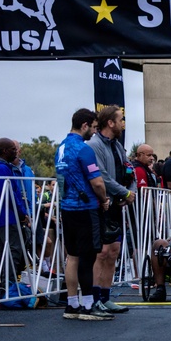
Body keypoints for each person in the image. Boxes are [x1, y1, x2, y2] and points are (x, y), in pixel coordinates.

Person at [55, 109, 113, 320]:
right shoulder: (84, 149)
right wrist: (104, 200)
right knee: (88, 257)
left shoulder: (60, 147)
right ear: (85, 125)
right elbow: (97, 182)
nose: (94, 132)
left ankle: (72, 305)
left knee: (72, 256)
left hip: (66, 207)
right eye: (94, 128)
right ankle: (88, 306)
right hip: (85, 207)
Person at [86, 105, 135, 314]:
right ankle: (94, 298)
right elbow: (102, 176)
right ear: (110, 123)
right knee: (101, 252)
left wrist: (128, 193)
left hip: (116, 204)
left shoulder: (118, 145)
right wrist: (124, 192)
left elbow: (129, 170)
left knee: (113, 251)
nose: (123, 124)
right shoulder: (94, 145)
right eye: (121, 119)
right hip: (101, 203)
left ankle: (106, 297)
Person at [0, 137, 31, 283]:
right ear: (4, 151)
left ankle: (6, 284)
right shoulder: (1, 169)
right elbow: (10, 194)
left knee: (8, 250)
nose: (16, 152)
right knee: (13, 250)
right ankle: (8, 285)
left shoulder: (0, 167)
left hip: (5, 217)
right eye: (12, 149)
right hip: (8, 217)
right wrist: (21, 212)